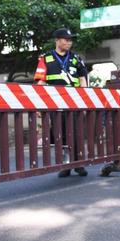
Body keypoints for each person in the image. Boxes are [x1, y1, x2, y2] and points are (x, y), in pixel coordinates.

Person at [34, 27, 89, 177]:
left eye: (71, 40)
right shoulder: (45, 59)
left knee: (77, 133)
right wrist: (40, 104)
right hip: (56, 105)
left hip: (75, 104)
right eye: (66, 39)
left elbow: (83, 80)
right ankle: (65, 165)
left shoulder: (76, 58)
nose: (69, 42)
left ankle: (79, 164)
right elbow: (41, 82)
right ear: (57, 40)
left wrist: (84, 102)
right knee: (61, 135)